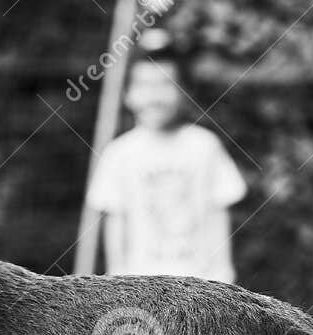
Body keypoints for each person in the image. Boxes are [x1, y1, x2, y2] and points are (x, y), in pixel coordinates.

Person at [86, 47, 247, 282]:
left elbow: (217, 215)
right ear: (127, 94)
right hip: (141, 287)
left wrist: (223, 273)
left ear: (185, 92)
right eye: (143, 85)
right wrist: (117, 280)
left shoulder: (205, 146)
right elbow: (116, 222)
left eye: (165, 84)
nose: (154, 96)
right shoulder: (119, 153)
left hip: (201, 288)